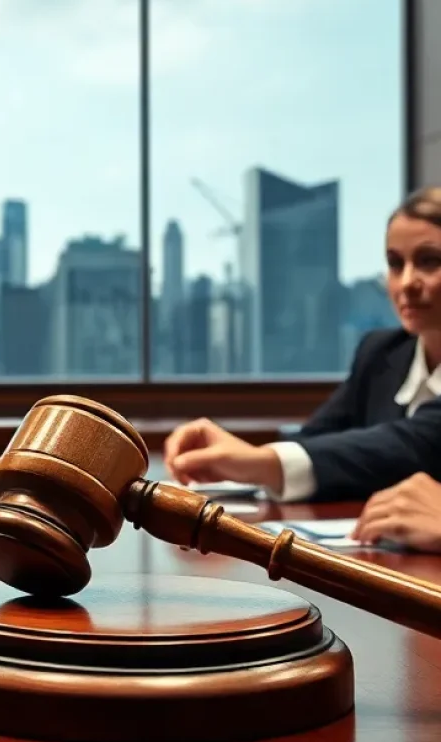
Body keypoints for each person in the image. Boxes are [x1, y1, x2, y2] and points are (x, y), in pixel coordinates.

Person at [164, 186, 441, 505]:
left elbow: (413, 443)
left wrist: (261, 462)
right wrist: (247, 456)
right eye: (395, 263)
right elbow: (316, 439)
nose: (406, 282)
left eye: (429, 261)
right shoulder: (380, 353)